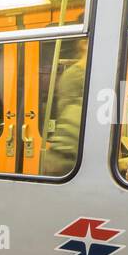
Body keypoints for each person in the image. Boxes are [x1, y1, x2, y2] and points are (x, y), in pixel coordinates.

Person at [39, 39, 88, 177]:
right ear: (84, 44)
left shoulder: (97, 76)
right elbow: (71, 121)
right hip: (66, 160)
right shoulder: (73, 75)